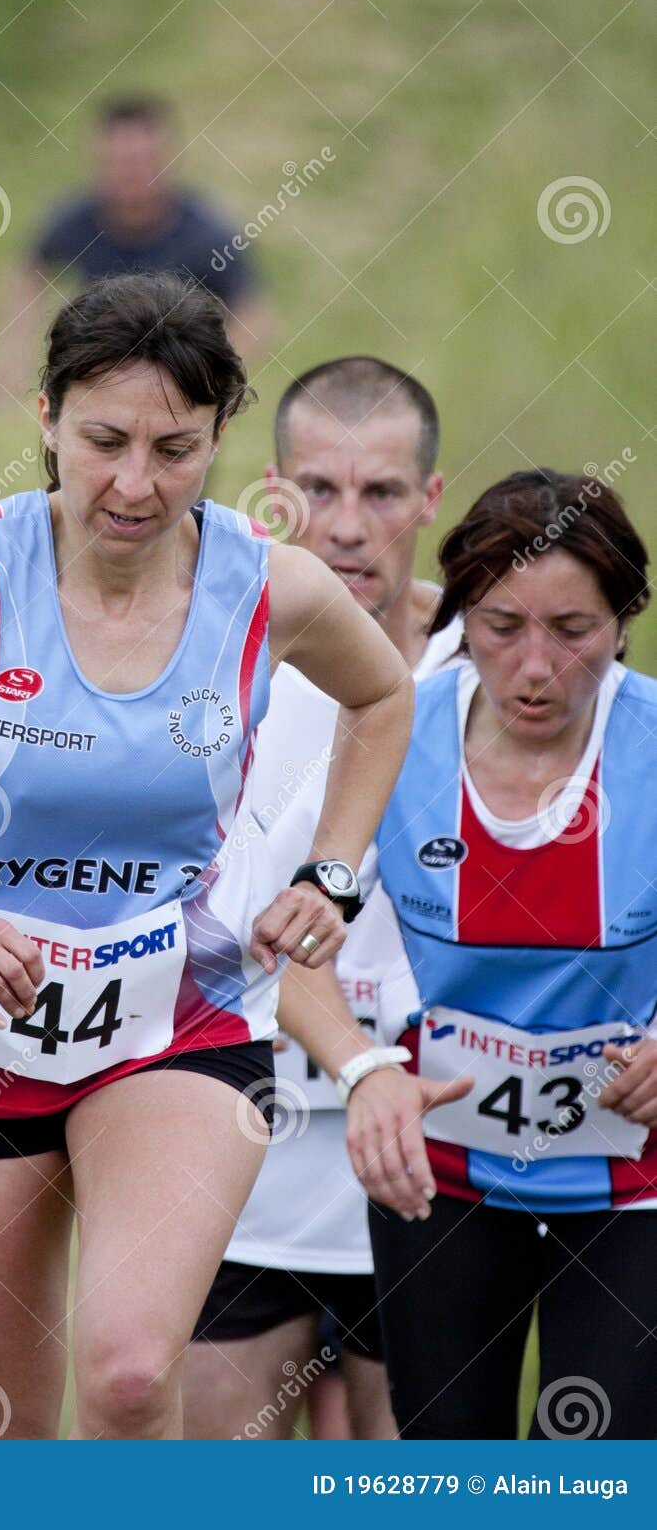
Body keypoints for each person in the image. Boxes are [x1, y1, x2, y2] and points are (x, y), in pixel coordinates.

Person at [0, 271, 414, 1441]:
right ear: (43, 418)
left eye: (175, 448)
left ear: (218, 436)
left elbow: (381, 696)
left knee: (130, 1376)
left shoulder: (264, 586)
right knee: (1, 1428)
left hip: (178, 1020)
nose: (135, 484)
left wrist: (328, 871)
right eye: (104, 440)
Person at [294, 470, 657, 1439]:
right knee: (450, 1473)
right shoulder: (395, 727)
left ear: (622, 622)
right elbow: (293, 958)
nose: (534, 667)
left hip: (632, 1184)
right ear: (457, 617)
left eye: (571, 630)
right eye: (500, 627)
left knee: (595, 1468)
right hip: (445, 1174)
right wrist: (364, 1070)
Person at [184, 357, 459, 1440]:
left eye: (382, 493)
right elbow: (227, 929)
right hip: (238, 1162)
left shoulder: (493, 671)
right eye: (320, 492)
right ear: (274, 492)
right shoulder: (209, 671)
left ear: (428, 501)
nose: (348, 527)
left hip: (424, 1169)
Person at [0, 95, 271, 407]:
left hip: (177, 383)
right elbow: (29, 272)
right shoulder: (75, 220)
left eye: (143, 161)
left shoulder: (207, 232)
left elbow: (252, 315)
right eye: (119, 161)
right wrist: (12, 358)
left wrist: (208, 374)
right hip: (98, 377)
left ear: (169, 159)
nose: (132, 174)